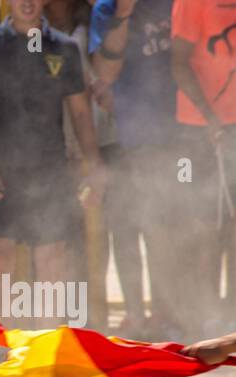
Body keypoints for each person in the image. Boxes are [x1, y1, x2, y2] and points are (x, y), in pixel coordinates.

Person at [0, 0, 105, 304]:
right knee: (1, 259)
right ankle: (0, 348)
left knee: (51, 259)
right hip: (2, 171)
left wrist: (94, 166)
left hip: (51, 170)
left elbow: (81, 113)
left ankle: (47, 348)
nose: (27, 3)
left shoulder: (64, 48)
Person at [91, 0, 179, 337]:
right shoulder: (107, 9)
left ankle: (164, 313)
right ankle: (135, 315)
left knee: (166, 228)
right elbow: (106, 72)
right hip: (124, 141)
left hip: (176, 139)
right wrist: (124, 13)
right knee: (125, 230)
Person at [170, 0, 236, 335]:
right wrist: (210, 118)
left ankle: (231, 311)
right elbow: (178, 63)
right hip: (198, 129)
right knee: (204, 225)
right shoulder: (191, 2)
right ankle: (205, 315)